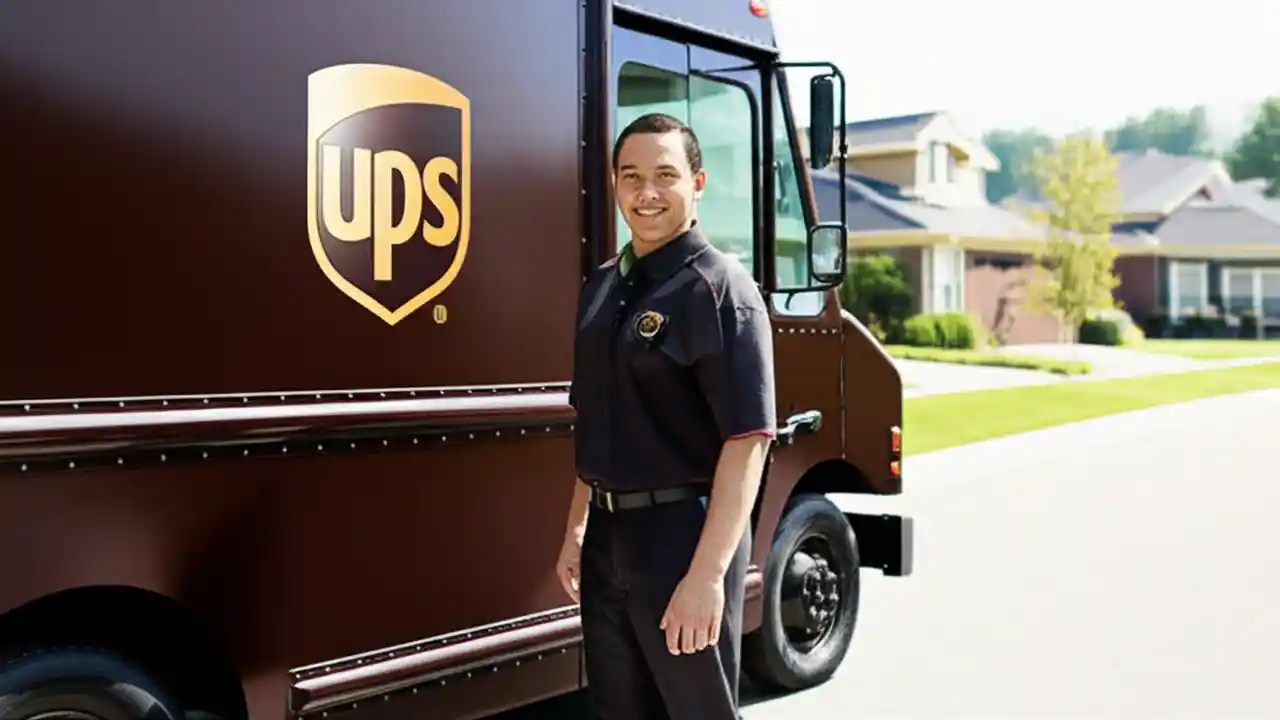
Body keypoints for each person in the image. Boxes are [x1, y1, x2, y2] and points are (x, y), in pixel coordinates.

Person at [557, 112, 777, 720]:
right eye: (631, 177)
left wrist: (706, 577)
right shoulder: (602, 286)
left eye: (665, 175)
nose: (646, 193)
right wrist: (578, 528)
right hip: (607, 539)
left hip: (684, 538)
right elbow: (596, 415)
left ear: (698, 182)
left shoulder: (720, 289)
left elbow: (748, 441)